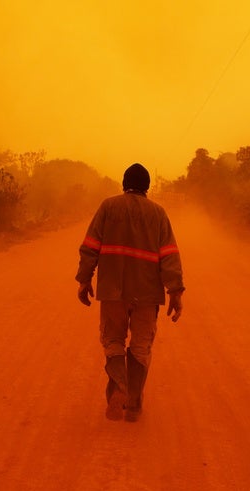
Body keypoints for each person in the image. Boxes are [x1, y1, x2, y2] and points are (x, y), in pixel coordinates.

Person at [76, 163, 185, 422]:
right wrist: (175, 292)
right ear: (147, 187)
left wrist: (84, 279)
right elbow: (169, 255)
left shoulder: (108, 207)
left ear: (124, 184)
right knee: (140, 346)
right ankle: (133, 404)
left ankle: (120, 388)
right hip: (146, 294)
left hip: (113, 290)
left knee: (113, 340)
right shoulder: (158, 214)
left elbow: (90, 246)